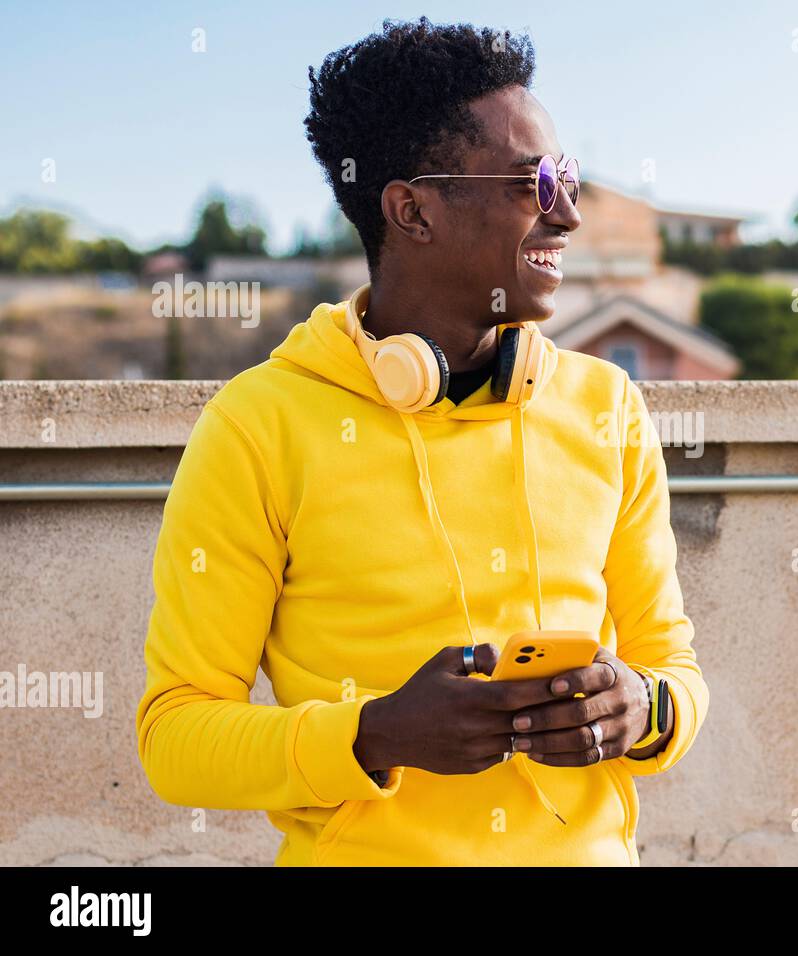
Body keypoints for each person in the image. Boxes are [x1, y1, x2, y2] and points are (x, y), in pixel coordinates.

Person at [135, 19, 707, 866]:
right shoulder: (258, 425)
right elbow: (174, 737)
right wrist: (375, 734)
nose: (569, 212)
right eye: (533, 182)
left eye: (568, 177)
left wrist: (645, 709)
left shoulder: (607, 404)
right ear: (412, 210)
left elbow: (675, 671)